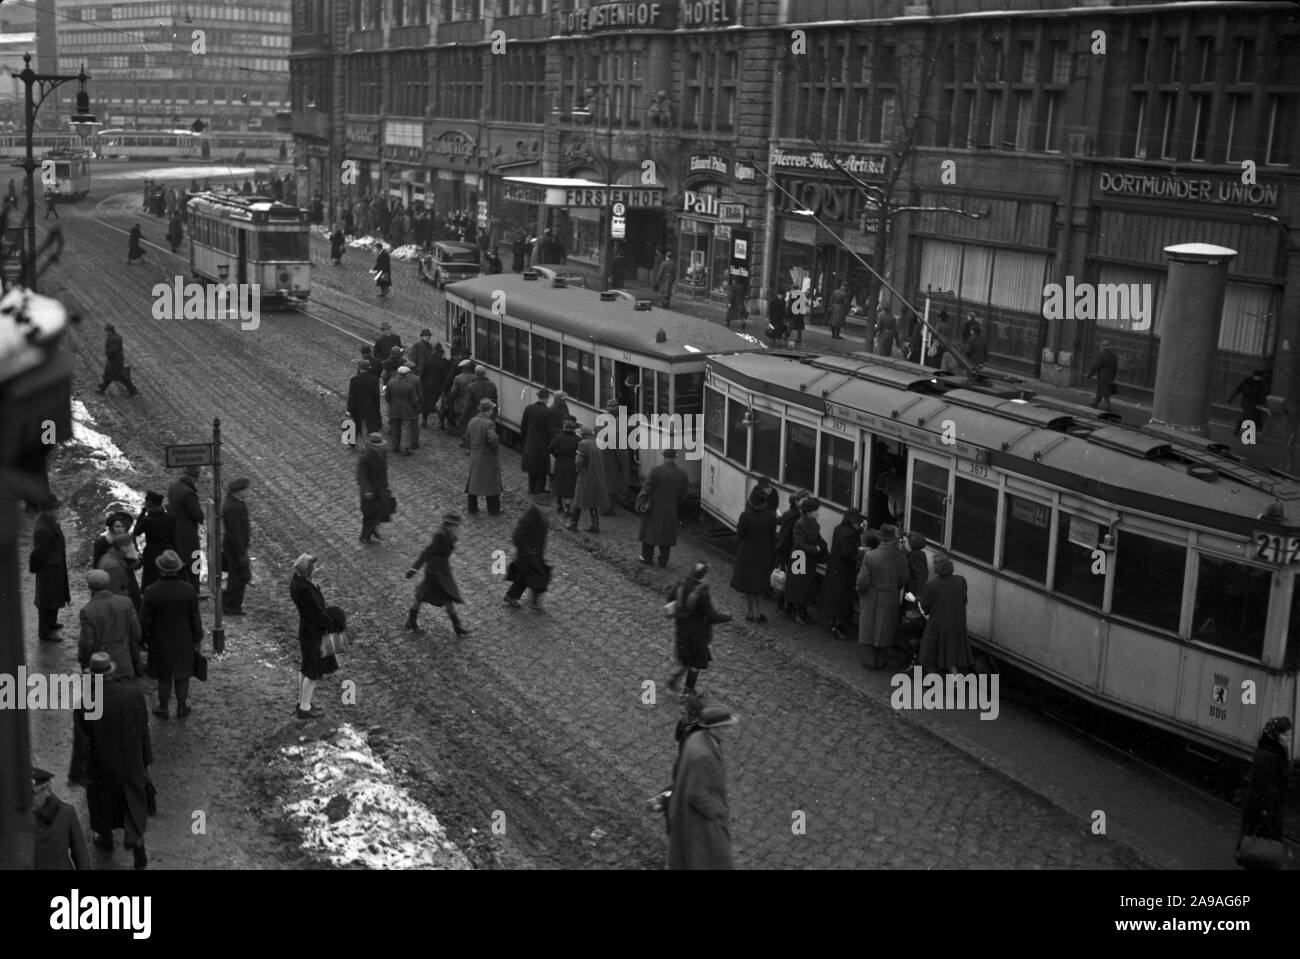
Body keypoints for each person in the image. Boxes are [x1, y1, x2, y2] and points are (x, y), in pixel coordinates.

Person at [83, 652, 152, 869]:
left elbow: (84, 743)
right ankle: (139, 854)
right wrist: (145, 761)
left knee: (103, 807)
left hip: (103, 769)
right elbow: (143, 732)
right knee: (132, 806)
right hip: (131, 765)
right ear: (112, 673)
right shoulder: (134, 695)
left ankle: (105, 838)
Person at [667, 704, 738, 870]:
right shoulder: (704, 755)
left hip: (685, 813)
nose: (731, 732)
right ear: (714, 729)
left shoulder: (698, 738)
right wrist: (720, 811)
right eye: (727, 727)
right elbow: (697, 795)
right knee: (714, 858)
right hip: (700, 819)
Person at [141, 549, 203, 719]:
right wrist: (197, 638)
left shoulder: (151, 591)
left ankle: (163, 707)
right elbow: (195, 618)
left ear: (161, 569)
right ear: (177, 568)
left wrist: (143, 639)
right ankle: (182, 707)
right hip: (184, 638)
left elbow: (144, 620)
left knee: (164, 676)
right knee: (182, 675)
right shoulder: (189, 590)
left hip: (160, 640)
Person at [667, 561, 732, 694]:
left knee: (684, 658)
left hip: (682, 629)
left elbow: (670, 599)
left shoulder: (681, 584)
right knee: (695, 664)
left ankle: (672, 681)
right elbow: (712, 616)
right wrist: (728, 617)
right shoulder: (701, 593)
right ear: (704, 576)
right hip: (697, 635)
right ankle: (689, 690)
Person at [1237, 716, 1293, 870]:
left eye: (1290, 735)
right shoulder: (1267, 755)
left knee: (1260, 850)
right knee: (1261, 849)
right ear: (1275, 734)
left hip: (1269, 808)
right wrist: (1267, 816)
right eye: (1285, 735)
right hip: (1264, 811)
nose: (1288, 739)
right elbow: (1262, 788)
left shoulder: (1277, 750)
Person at [289, 554, 338, 719]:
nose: (316, 569)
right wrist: (331, 623)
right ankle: (304, 708)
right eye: (313, 567)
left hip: (306, 630)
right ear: (308, 571)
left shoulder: (297, 583)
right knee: (313, 671)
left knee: (306, 667)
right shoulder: (305, 589)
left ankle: (302, 702)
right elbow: (316, 613)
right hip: (313, 632)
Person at [405, 514, 472, 636]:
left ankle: (456, 625)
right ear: (450, 525)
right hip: (435, 571)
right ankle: (456, 625)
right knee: (430, 594)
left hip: (441, 569)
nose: (458, 527)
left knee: (442, 595)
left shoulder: (448, 534)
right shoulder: (441, 535)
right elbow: (427, 552)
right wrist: (414, 568)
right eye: (456, 525)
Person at [857, 524, 911, 670]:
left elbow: (863, 580)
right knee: (885, 629)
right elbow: (904, 580)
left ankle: (869, 660)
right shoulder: (901, 558)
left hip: (871, 595)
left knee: (868, 627)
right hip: (890, 597)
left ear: (880, 540)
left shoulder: (870, 556)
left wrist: (860, 591)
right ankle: (880, 660)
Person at [917, 555, 973, 674]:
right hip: (958, 624)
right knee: (951, 657)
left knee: (930, 655)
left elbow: (926, 608)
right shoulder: (961, 580)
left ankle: (933, 682)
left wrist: (918, 601)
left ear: (936, 569)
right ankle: (956, 682)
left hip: (938, 625)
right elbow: (964, 600)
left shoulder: (932, 584)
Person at [637, 449, 689, 568]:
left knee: (649, 533)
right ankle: (663, 561)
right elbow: (684, 495)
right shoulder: (682, 474)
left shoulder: (656, 471)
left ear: (664, 457)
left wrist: (640, 502)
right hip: (670, 510)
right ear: (675, 458)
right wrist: (676, 506)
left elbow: (647, 489)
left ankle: (647, 557)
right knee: (666, 535)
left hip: (654, 508)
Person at [30, 494, 70, 642]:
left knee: (54, 598)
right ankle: (45, 632)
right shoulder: (43, 529)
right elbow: (38, 553)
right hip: (48, 571)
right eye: (56, 508)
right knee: (47, 601)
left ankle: (51, 624)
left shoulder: (48, 522)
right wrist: (35, 568)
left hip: (54, 568)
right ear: (49, 510)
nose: (59, 510)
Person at [31, 767, 88, 870]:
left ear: (48, 790)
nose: (30, 799)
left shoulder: (66, 813)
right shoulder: (14, 819)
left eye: (34, 793)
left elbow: (81, 856)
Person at [783, 496, 826, 625]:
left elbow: (817, 538)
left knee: (806, 586)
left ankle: (802, 612)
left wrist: (822, 546)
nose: (817, 513)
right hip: (799, 558)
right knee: (799, 587)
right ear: (809, 512)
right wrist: (816, 548)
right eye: (815, 511)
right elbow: (798, 544)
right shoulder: (800, 524)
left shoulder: (813, 523)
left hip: (807, 558)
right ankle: (798, 613)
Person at [822, 508, 863, 641]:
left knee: (835, 597)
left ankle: (833, 622)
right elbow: (847, 553)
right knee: (843, 600)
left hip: (835, 568)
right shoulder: (850, 534)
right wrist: (858, 560)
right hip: (845, 572)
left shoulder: (839, 528)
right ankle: (838, 627)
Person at [504, 505, 552, 610]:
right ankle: (533, 602)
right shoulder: (529, 518)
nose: (550, 508)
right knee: (537, 575)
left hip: (535, 553)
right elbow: (518, 537)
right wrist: (529, 551)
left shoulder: (541, 516)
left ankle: (512, 596)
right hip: (527, 554)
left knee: (527, 576)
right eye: (548, 506)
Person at [167, 466, 204, 592]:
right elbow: (198, 515)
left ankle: (180, 587)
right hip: (189, 534)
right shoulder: (188, 492)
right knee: (194, 561)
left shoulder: (173, 487)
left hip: (175, 532)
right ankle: (194, 588)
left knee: (181, 561)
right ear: (194, 477)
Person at [132, 491, 176, 593]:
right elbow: (175, 537)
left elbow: (136, 531)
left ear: (149, 504)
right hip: (168, 550)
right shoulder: (170, 518)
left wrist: (142, 514)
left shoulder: (147, 520)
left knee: (151, 581)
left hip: (152, 553)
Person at [465, 398, 503, 515]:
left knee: (473, 482)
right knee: (491, 483)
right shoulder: (489, 423)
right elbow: (493, 439)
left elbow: (467, 436)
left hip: (474, 455)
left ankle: (472, 508)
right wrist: (495, 451)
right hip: (486, 456)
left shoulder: (473, 421)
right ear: (489, 410)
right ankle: (493, 509)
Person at [220, 477, 252, 615]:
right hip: (235, 549)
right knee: (237, 578)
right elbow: (235, 533)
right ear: (238, 491)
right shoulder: (233, 508)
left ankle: (232, 606)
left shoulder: (236, 503)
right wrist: (242, 553)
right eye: (245, 489)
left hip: (235, 548)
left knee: (238, 577)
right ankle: (229, 606)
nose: (247, 491)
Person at [570, 425, 609, 532]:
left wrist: (578, 469)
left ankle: (573, 524)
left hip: (585, 476)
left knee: (578, 500)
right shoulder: (597, 443)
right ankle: (595, 525)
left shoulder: (583, 444)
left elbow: (578, 461)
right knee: (593, 500)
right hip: (597, 476)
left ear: (583, 435)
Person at [901, 531, 931, 666]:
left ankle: (912, 662)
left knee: (912, 629)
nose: (903, 544)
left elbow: (920, 578)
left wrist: (916, 598)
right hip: (913, 597)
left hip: (912, 599)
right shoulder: (916, 555)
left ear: (912, 544)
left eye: (906, 542)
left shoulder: (915, 556)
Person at [357, 432, 392, 543]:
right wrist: (367, 490)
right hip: (370, 491)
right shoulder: (365, 457)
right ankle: (365, 536)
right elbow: (361, 475)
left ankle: (372, 530)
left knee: (379, 512)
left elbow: (383, 472)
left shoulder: (383, 453)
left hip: (380, 488)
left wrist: (385, 487)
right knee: (369, 514)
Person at [98, 531, 142, 614]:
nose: (133, 546)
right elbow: (116, 593)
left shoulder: (113, 556)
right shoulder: (114, 567)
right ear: (123, 548)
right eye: (131, 544)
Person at [520, 388, 553, 495]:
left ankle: (531, 488)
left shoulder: (529, 408)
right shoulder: (547, 412)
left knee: (532, 468)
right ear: (547, 398)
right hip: (542, 445)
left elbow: (523, 427)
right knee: (541, 469)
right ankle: (539, 489)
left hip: (530, 443)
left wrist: (525, 440)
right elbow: (549, 431)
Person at [384, 366, 421, 455]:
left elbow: (387, 397)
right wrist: (416, 407)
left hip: (393, 409)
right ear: (406, 374)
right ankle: (404, 449)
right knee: (405, 429)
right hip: (407, 411)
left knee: (394, 429)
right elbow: (415, 400)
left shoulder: (391, 383)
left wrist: (392, 403)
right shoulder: (409, 385)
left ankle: (395, 447)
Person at [548, 418, 580, 515]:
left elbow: (550, 448)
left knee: (559, 482)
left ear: (564, 427)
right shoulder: (578, 440)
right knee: (570, 485)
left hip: (560, 462)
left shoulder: (558, 437)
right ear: (574, 429)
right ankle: (567, 506)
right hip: (572, 463)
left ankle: (559, 505)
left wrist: (556, 455)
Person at [347, 360, 383, 443]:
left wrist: (349, 410)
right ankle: (366, 444)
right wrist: (377, 409)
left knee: (356, 425)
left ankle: (353, 441)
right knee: (368, 426)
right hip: (369, 407)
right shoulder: (374, 380)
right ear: (368, 368)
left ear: (359, 368)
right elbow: (376, 396)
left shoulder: (354, 380)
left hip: (357, 407)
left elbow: (352, 396)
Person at [97, 324, 139, 396]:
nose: (106, 333)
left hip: (115, 361)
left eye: (107, 331)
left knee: (121, 376)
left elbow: (114, 350)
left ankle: (133, 390)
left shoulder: (114, 339)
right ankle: (102, 388)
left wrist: (107, 352)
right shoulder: (114, 337)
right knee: (108, 374)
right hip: (114, 360)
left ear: (110, 331)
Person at [420, 341, 451, 430]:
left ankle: (424, 421)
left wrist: (423, 383)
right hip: (439, 386)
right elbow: (446, 376)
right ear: (440, 352)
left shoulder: (427, 361)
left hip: (427, 386)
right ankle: (441, 423)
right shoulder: (443, 363)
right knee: (440, 405)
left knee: (426, 404)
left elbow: (423, 374)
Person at [460, 365, 499, 435]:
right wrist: (494, 416)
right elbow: (495, 403)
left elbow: (468, 405)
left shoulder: (471, 386)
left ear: (475, 373)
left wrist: (463, 417)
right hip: (489, 415)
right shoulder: (492, 385)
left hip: (475, 415)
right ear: (484, 373)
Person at [1229, 370, 1270, 434]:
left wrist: (1262, 403)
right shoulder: (1248, 382)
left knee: (1248, 416)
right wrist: (1231, 398)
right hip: (1247, 401)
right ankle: (1241, 431)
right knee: (1249, 415)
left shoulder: (1260, 384)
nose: (1259, 378)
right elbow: (1239, 390)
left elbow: (1263, 393)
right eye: (1258, 377)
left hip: (1255, 402)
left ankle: (1239, 430)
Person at [1086, 339, 1119, 412]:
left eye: (1100, 347)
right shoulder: (1113, 355)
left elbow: (1097, 366)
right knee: (1100, 390)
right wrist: (1113, 377)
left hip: (1103, 376)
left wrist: (1090, 375)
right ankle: (1095, 403)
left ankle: (1107, 406)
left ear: (1102, 347)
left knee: (1105, 392)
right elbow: (1115, 368)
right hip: (1110, 377)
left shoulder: (1102, 355)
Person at [446, 358, 476, 436]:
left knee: (462, 421)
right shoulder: (475, 378)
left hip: (460, 403)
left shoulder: (458, 378)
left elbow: (453, 392)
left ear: (463, 368)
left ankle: (464, 437)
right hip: (472, 404)